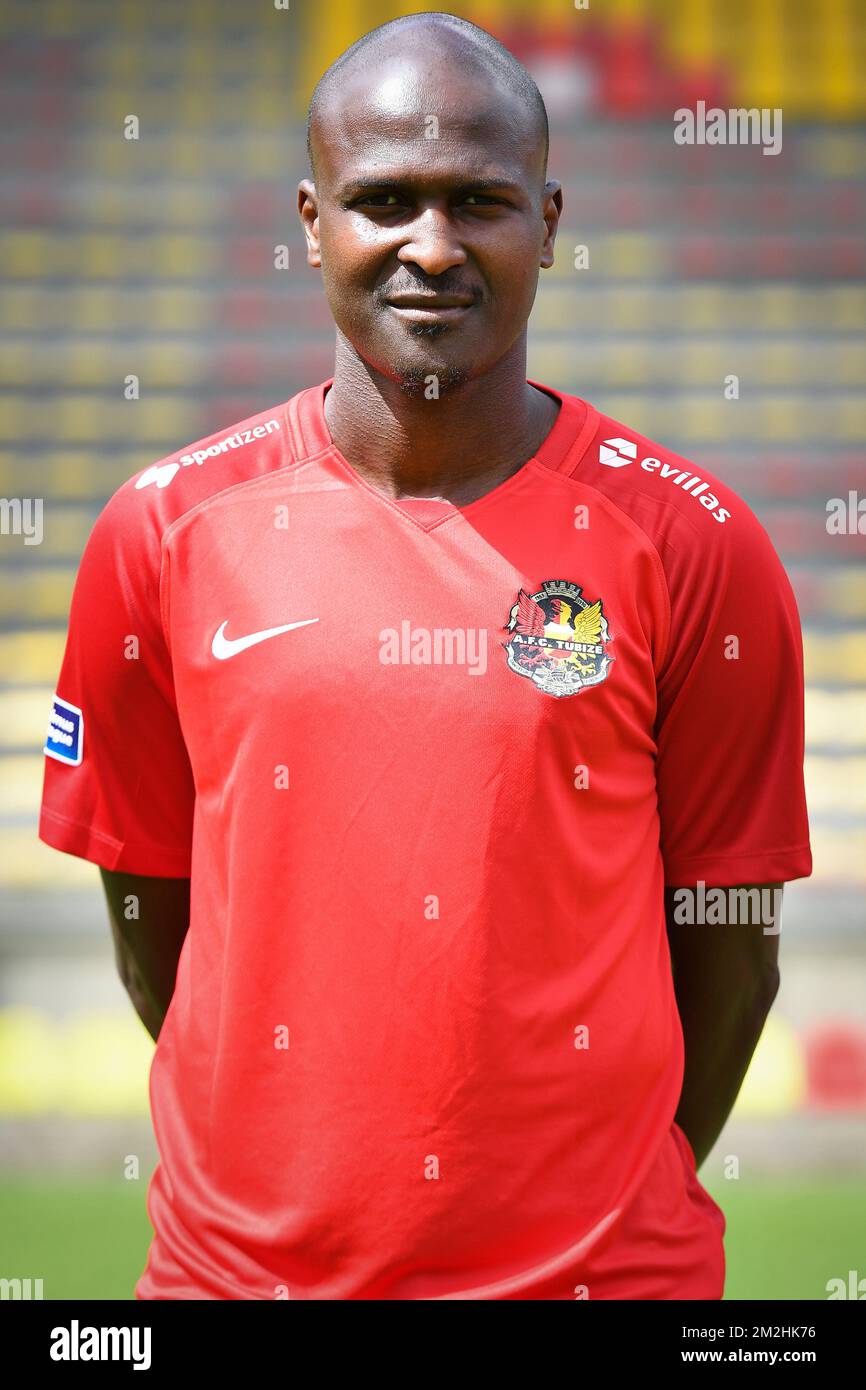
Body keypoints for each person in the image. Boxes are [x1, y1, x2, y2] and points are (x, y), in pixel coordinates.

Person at [38, 12, 812, 1300]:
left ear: (550, 223)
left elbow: (731, 950)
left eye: (481, 201)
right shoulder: (159, 533)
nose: (433, 246)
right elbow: (151, 918)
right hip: (238, 1283)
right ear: (311, 223)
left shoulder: (697, 545)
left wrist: (592, 1216)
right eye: (384, 200)